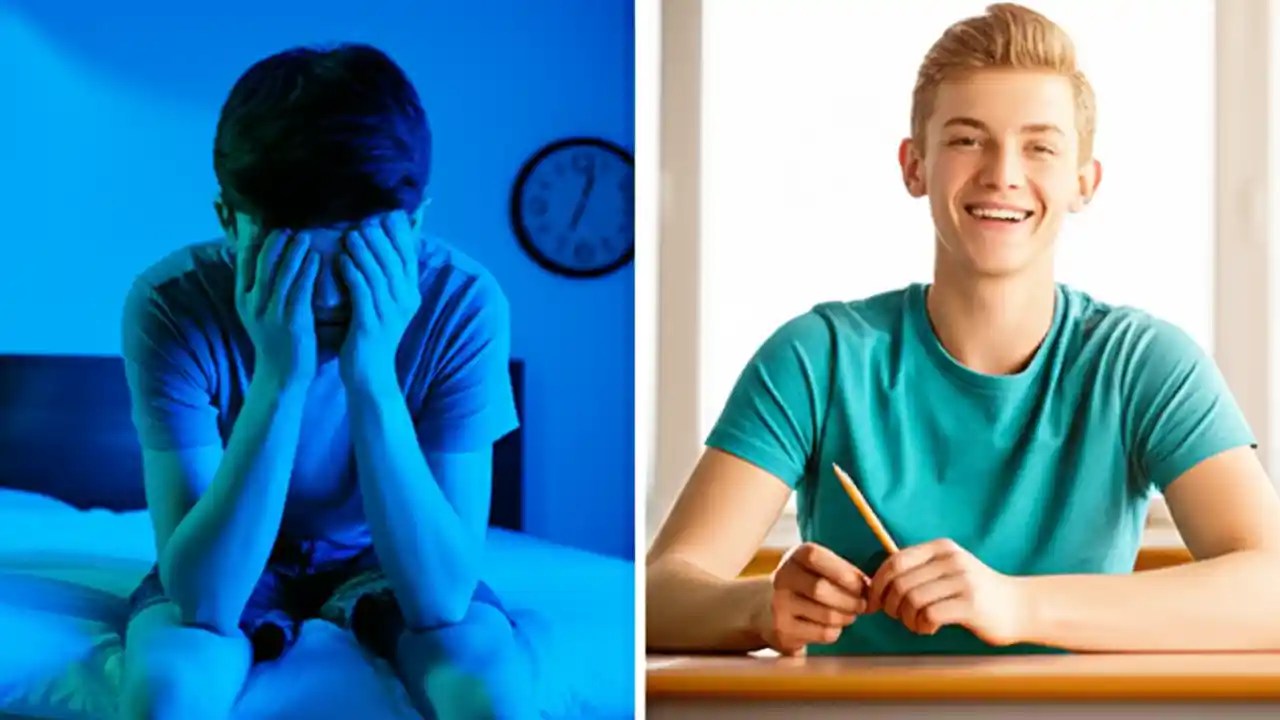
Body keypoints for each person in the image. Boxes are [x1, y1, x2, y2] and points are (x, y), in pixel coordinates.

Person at [647, 3, 1280, 658]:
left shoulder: (1146, 365)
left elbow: (1273, 591)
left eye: (1039, 146)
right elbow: (658, 593)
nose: (1002, 172)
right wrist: (758, 606)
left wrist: (1013, 602)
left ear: (1083, 182)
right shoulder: (818, 358)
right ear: (914, 165)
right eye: (967, 139)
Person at [118, 42, 537, 719]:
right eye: (291, 260)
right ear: (229, 221)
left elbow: (441, 600)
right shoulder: (172, 304)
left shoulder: (464, 304)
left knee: (491, 688)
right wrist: (280, 375)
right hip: (228, 548)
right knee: (167, 687)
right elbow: (203, 601)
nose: (325, 299)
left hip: (392, 550)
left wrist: (372, 372)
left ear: (415, 223)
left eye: (357, 258)